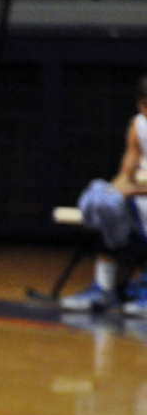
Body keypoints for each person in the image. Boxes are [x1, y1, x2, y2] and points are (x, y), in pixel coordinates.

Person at [61, 75, 147, 315]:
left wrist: (136, 190)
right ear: (140, 104)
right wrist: (114, 192)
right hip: (141, 199)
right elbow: (125, 174)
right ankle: (104, 288)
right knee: (104, 204)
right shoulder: (138, 125)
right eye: (144, 106)